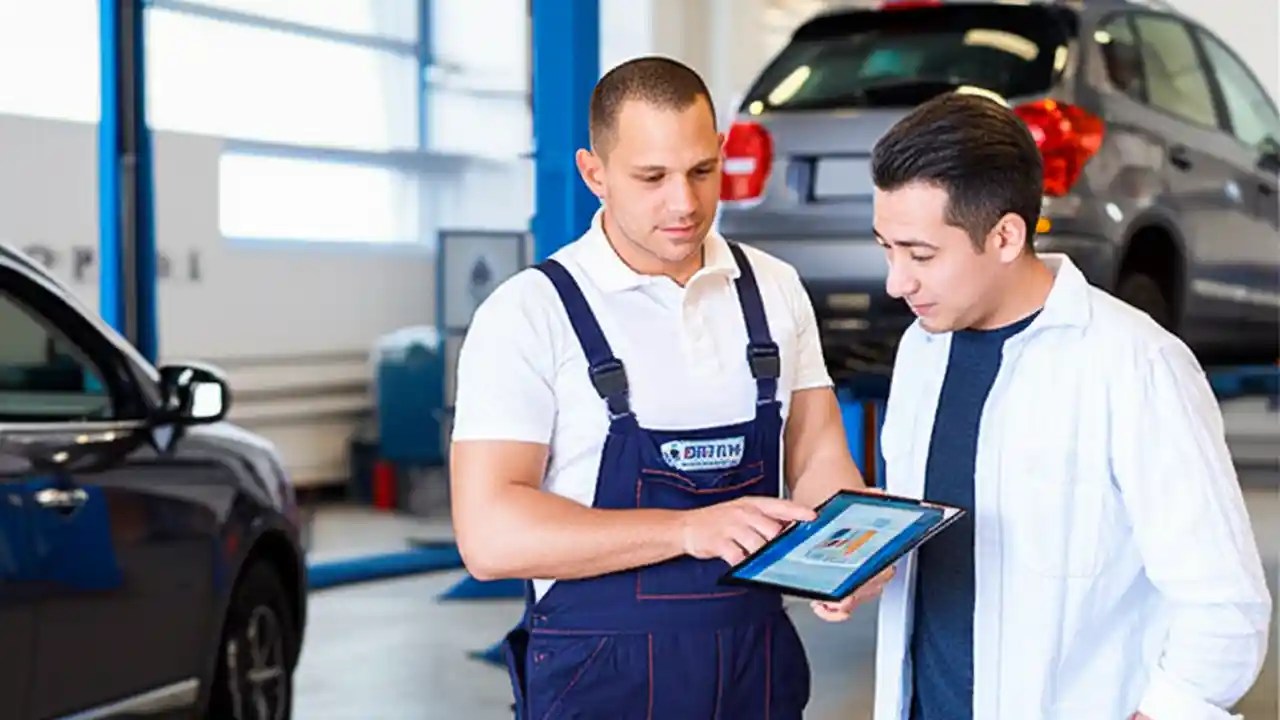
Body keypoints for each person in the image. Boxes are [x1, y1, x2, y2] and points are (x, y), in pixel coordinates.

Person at [449, 56, 887, 719]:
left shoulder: (772, 289)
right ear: (594, 174)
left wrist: (851, 549)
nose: (683, 203)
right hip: (598, 677)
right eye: (651, 178)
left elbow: (820, 457)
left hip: (754, 671)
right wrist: (687, 530)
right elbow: (489, 537)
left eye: (701, 172)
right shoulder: (529, 313)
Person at [868, 91, 1272, 720]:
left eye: (920, 255)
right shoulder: (923, 349)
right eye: (886, 248)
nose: (897, 282)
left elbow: (1224, 604)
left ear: (1005, 235)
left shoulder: (1133, 363)